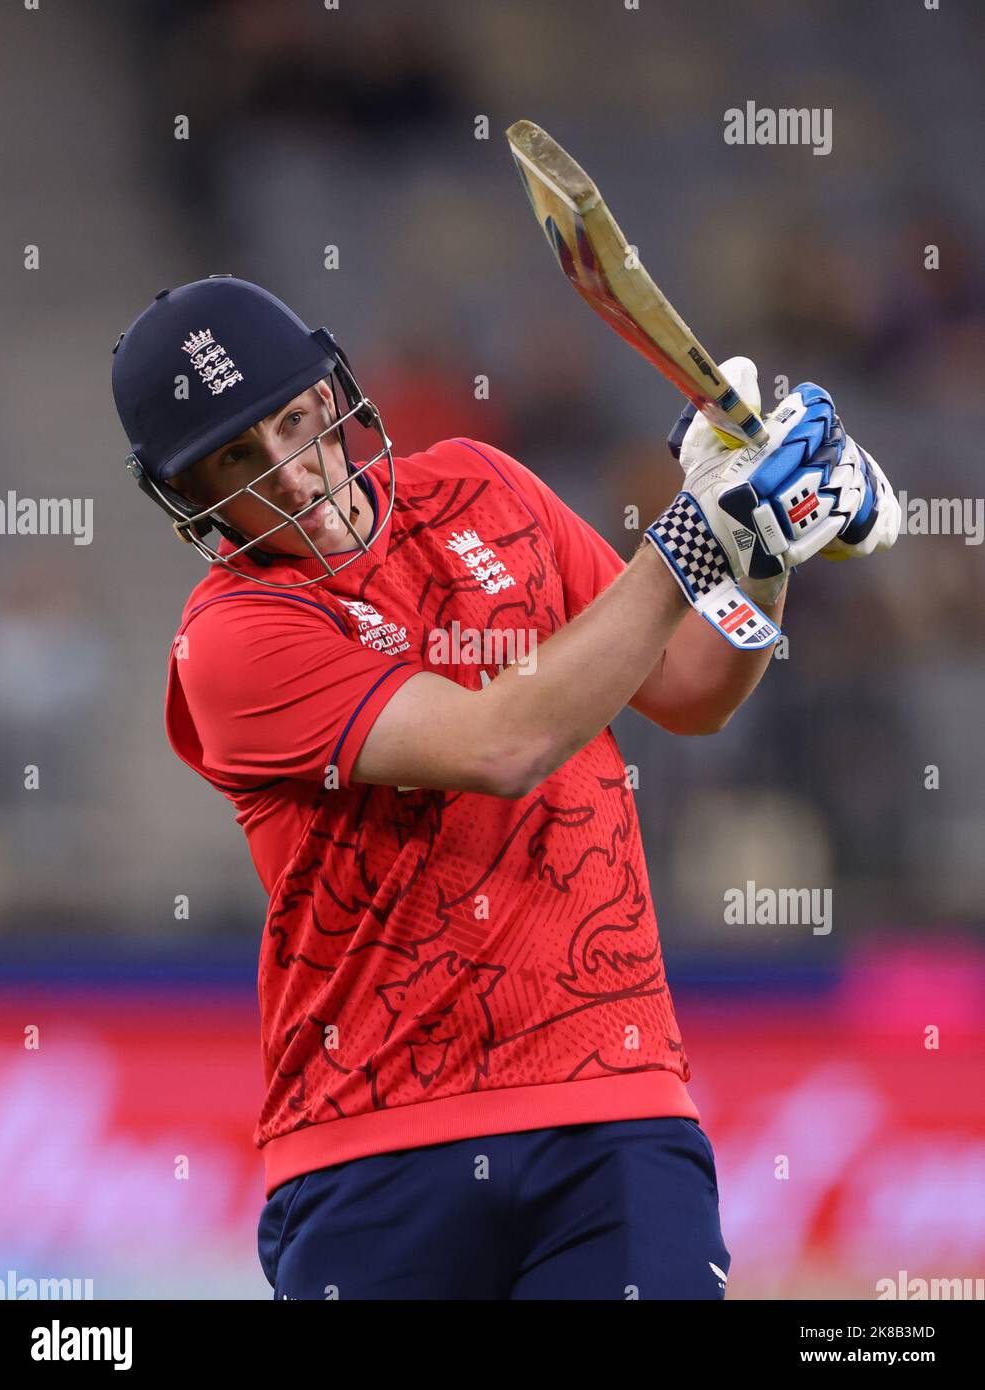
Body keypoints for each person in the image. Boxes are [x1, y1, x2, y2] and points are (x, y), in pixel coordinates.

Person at [112, 275, 899, 1300]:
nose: (292, 476)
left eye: (295, 423)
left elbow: (691, 687)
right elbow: (502, 743)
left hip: (615, 1106)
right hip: (371, 1136)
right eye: (235, 460)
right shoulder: (230, 637)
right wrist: (697, 534)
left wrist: (760, 544)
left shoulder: (479, 485)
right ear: (187, 495)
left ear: (333, 393)